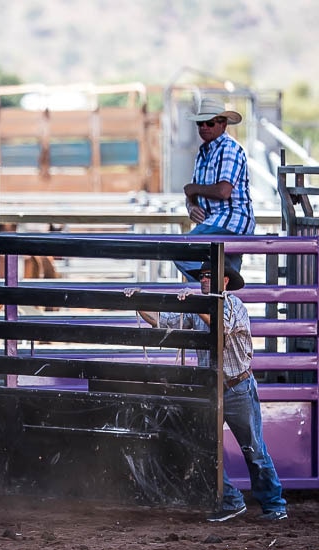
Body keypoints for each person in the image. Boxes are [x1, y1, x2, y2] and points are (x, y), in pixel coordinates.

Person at [137, 260, 287, 523]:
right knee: (204, 446)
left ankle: (273, 504)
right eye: (202, 276)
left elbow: (221, 329)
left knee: (253, 449)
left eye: (209, 275)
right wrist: (138, 303)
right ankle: (232, 500)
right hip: (214, 388)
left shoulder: (235, 306)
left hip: (236, 386)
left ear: (224, 280)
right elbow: (162, 321)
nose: (204, 279)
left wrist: (195, 304)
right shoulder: (200, 309)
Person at [175, 98, 255, 280]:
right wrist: (192, 206)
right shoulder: (204, 153)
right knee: (228, 274)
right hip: (217, 222)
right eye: (200, 123)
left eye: (209, 123)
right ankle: (223, 303)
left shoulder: (229, 148)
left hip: (231, 221)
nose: (204, 127)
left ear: (223, 124)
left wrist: (192, 189)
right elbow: (194, 192)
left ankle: (208, 296)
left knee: (181, 250)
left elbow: (223, 191)